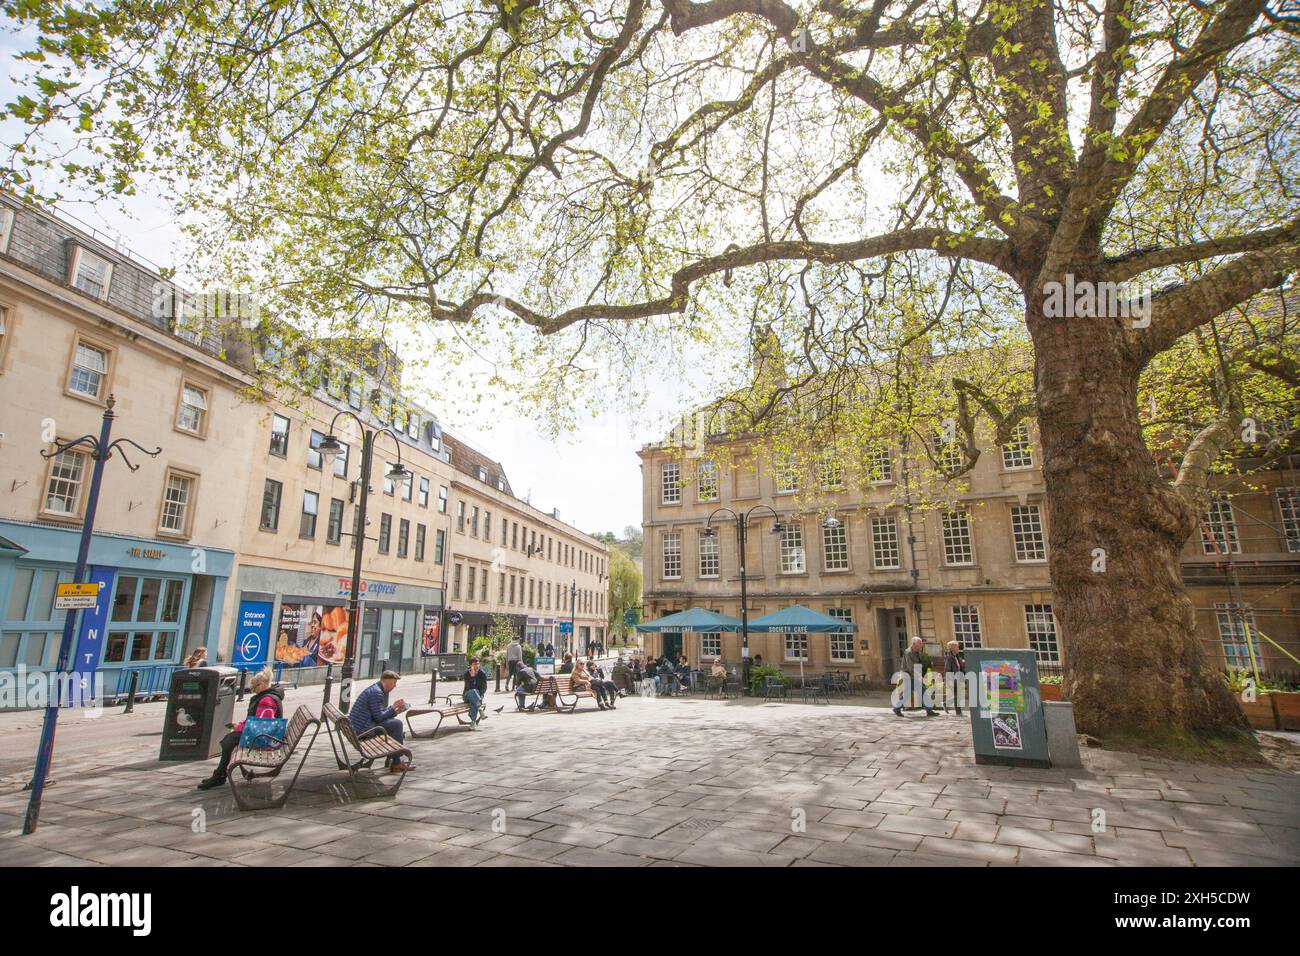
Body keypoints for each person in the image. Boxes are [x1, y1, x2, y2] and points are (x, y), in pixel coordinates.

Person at [197, 665, 283, 790]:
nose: (253, 691)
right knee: (229, 740)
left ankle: (219, 775)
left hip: (264, 739)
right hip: (264, 736)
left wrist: (239, 728)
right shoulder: (268, 696)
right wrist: (241, 725)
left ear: (261, 685)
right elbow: (257, 720)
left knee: (229, 741)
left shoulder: (266, 701)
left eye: (254, 688)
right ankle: (219, 774)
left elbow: (262, 725)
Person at [350, 670, 411, 771]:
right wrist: (394, 707)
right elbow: (378, 717)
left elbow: (377, 713)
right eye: (394, 683)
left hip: (361, 726)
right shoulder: (377, 693)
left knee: (394, 724)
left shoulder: (375, 689)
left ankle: (396, 760)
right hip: (363, 730)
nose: (395, 686)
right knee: (397, 725)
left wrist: (395, 711)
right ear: (387, 681)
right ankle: (397, 760)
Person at [894, 637, 936, 717]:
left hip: (913, 676)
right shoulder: (908, 652)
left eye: (921, 644)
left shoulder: (917, 652)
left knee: (907, 694)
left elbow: (919, 664)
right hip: (909, 675)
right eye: (919, 644)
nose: (921, 645)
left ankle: (897, 708)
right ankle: (929, 710)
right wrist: (919, 677)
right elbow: (911, 667)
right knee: (923, 692)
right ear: (914, 644)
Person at [461, 657, 488, 727]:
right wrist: (472, 677)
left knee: (474, 702)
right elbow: (469, 688)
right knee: (473, 691)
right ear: (470, 666)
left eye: (478, 664)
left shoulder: (482, 674)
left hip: (477, 696)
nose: (477, 665)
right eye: (475, 664)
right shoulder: (467, 674)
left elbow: (484, 688)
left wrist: (481, 695)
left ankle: (473, 722)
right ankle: (480, 709)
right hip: (467, 695)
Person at [943, 640, 966, 715]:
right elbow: (947, 669)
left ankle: (946, 704)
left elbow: (960, 666)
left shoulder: (956, 656)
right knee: (957, 696)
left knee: (957, 695)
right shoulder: (949, 657)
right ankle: (958, 712)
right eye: (957, 646)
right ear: (952, 648)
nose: (958, 648)